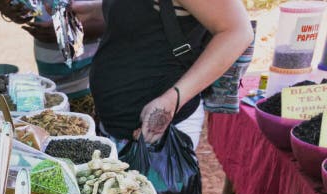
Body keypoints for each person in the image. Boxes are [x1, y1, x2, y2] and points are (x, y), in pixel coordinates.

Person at [90, 0, 253, 149]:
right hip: (114, 125)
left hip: (157, 137)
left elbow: (238, 31)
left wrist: (172, 99)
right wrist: (89, 11)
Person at [0, 0, 105, 111]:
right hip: (47, 86)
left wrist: (65, 30)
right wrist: (15, 9)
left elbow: (115, 20)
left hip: (86, 86)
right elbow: (34, 8)